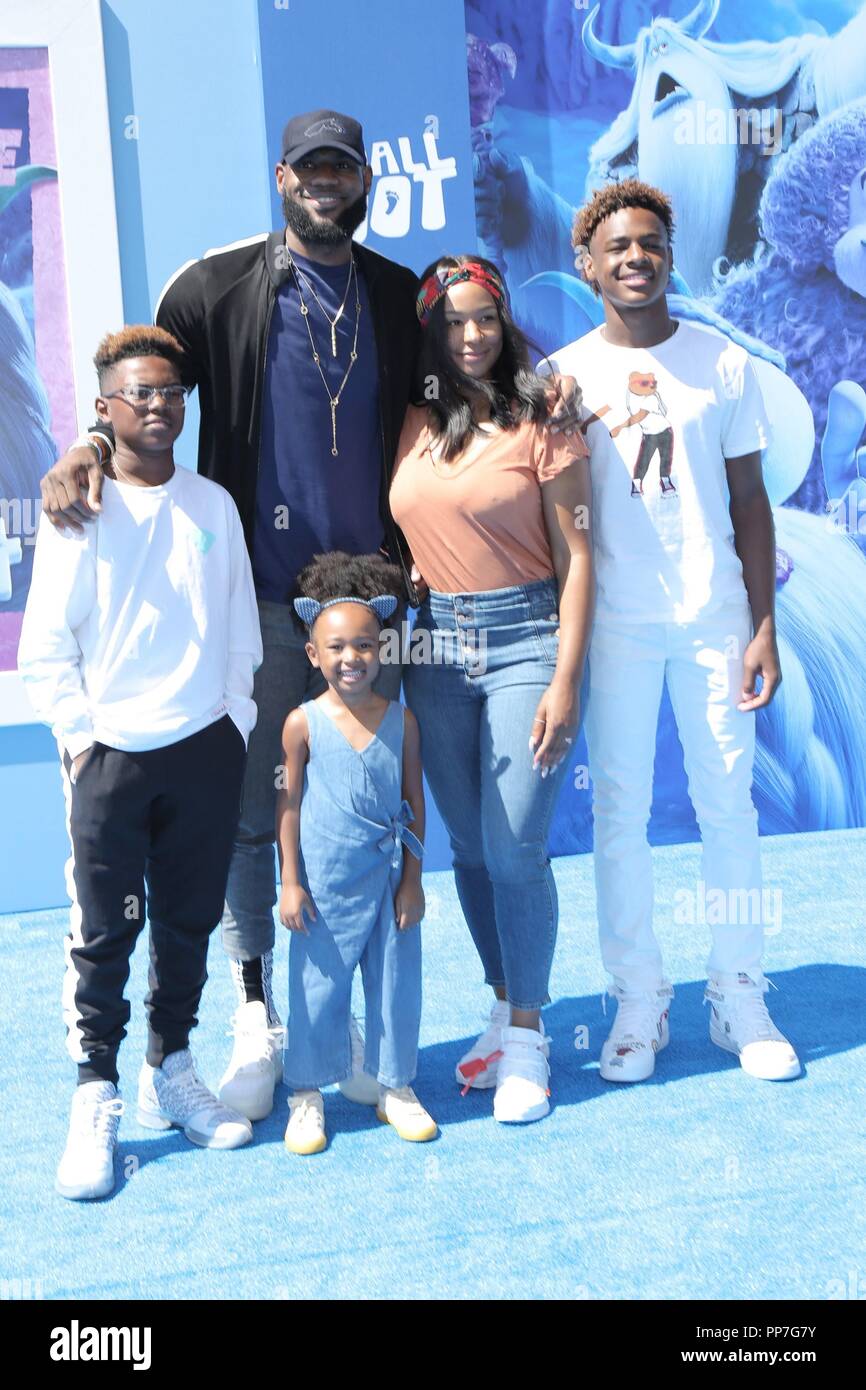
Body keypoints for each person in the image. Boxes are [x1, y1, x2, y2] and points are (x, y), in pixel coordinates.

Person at [37, 109, 581, 1124]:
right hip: (270, 606)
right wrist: (83, 443)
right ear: (279, 176)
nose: (324, 184)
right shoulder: (212, 287)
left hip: (389, 611)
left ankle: (409, 1027)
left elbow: (482, 363)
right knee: (255, 815)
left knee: (394, 814)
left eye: (342, 169)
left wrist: (560, 390)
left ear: (364, 180)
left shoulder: (389, 294)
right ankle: (258, 1014)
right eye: (308, 168)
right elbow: (143, 382)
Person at [546, 179, 800, 1083]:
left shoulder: (723, 365)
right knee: (618, 811)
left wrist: (763, 624)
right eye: (617, 247)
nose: (635, 259)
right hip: (614, 625)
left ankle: (738, 993)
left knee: (726, 804)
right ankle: (637, 1001)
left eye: (649, 243)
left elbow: (751, 505)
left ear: (669, 252)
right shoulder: (563, 377)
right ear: (590, 265)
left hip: (714, 620)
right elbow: (555, 516)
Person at [18, 327, 262, 1200]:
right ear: (105, 408)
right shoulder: (78, 505)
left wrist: (233, 721)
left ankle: (173, 1067)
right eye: (141, 394)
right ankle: (96, 1093)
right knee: (105, 935)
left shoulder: (213, 505)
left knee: (189, 922)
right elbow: (46, 647)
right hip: (111, 760)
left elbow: (238, 626)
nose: (159, 407)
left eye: (171, 393)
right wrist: (85, 747)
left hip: (203, 748)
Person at [390, 256, 594, 1124]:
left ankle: (529, 1034)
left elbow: (581, 556)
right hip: (431, 649)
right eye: (455, 321)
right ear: (432, 328)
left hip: (524, 642)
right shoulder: (414, 416)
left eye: (487, 318)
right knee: (469, 850)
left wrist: (567, 678)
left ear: (505, 320)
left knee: (515, 852)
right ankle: (504, 998)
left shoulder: (546, 413)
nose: (472, 336)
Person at [276, 552, 433, 1155]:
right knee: (317, 987)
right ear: (314, 654)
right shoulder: (301, 724)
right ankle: (307, 1093)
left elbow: (414, 804)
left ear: (383, 649)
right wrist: (290, 882)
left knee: (396, 981)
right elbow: (286, 806)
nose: (352, 658)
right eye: (337, 647)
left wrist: (413, 880)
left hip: (390, 881)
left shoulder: (404, 721)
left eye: (365, 646)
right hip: (324, 887)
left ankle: (396, 1085)